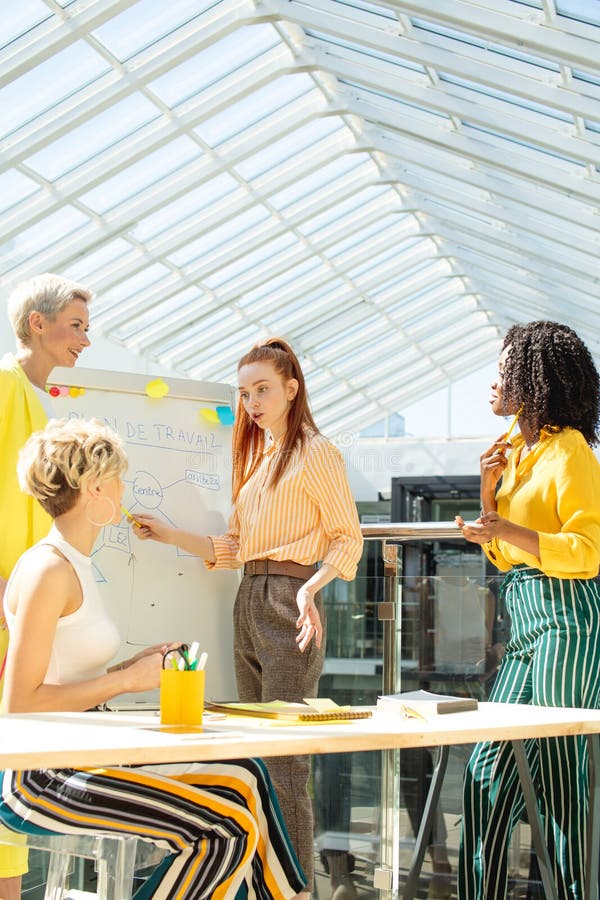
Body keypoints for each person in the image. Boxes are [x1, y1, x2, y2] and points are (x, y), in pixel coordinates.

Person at [0, 417, 307, 900]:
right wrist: (126, 682)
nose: (123, 490)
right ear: (94, 488)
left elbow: (65, 676)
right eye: (117, 479)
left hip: (87, 753)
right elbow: (19, 705)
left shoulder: (75, 563)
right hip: (44, 778)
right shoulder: (47, 570)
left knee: (248, 772)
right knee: (226, 827)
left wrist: (132, 667)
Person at [134, 337, 364, 888]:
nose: (252, 403)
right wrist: (169, 534)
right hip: (249, 597)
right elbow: (235, 547)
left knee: (283, 762)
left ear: (292, 389)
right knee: (254, 756)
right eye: (244, 393)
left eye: (262, 390)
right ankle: (264, 883)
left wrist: (310, 590)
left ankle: (296, 889)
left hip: (290, 602)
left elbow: (347, 538)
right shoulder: (258, 460)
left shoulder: (316, 452)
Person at [455, 320, 600, 899]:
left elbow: (588, 551)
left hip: (567, 616)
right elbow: (504, 553)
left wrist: (504, 527)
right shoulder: (513, 451)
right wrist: (487, 496)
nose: (492, 384)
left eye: (503, 371)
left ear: (533, 377)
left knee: (561, 776)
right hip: (524, 614)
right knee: (486, 772)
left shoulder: (570, 450)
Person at [0, 272, 91, 900]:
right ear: (38, 324)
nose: (85, 338)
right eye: (76, 325)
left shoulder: (40, 399)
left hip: (26, 609)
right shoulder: (8, 386)